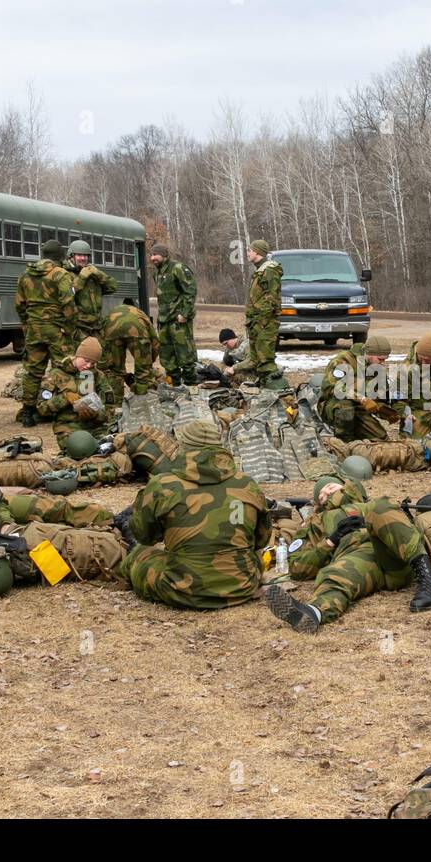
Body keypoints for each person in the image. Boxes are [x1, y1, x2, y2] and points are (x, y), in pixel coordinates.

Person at [119, 419, 269, 609]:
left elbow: (145, 537)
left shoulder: (163, 484)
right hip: (242, 586)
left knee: (139, 554)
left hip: (181, 591)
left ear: (183, 446)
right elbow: (262, 540)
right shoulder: (248, 484)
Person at [264, 478, 431, 633]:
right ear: (317, 502)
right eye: (322, 492)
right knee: (339, 573)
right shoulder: (312, 524)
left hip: (394, 554)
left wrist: (372, 522)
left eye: (331, 486)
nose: (327, 492)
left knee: (381, 505)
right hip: (358, 560)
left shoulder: (369, 505)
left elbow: (406, 529)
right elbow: (297, 567)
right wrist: (331, 540)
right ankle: (314, 613)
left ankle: (427, 579)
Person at [14, 239, 78, 426]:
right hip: (57, 329)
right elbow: (69, 304)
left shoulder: (26, 274)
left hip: (34, 329)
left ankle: (28, 412)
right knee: (63, 368)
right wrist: (69, 329)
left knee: (32, 371)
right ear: (60, 256)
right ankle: (61, 408)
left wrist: (26, 325)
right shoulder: (60, 274)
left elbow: (19, 305)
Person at [35, 337, 114, 449]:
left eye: (93, 363)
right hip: (68, 427)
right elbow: (42, 408)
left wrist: (96, 415)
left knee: (108, 449)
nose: (88, 366)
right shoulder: (56, 374)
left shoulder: (97, 376)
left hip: (96, 427)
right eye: (86, 360)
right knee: (81, 449)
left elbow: (110, 409)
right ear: (78, 355)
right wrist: (64, 398)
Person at [317, 333, 397, 441]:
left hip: (359, 409)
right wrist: (361, 398)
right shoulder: (343, 361)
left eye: (384, 359)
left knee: (381, 439)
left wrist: (384, 411)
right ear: (369, 353)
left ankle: (355, 433)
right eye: (380, 359)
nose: (382, 363)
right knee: (345, 407)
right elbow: (333, 387)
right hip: (333, 405)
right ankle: (344, 441)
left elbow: (379, 397)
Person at [151, 244, 198, 386]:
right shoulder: (157, 272)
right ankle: (175, 384)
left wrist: (185, 313)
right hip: (164, 320)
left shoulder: (178, 268)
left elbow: (190, 291)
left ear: (164, 255)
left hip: (178, 320)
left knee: (185, 353)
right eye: (151, 255)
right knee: (166, 356)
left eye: (155, 254)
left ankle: (191, 384)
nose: (152, 258)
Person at [100, 298, 158, 401]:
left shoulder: (112, 312)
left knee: (115, 371)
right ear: (134, 306)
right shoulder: (139, 313)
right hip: (136, 332)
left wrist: (106, 362)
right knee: (142, 373)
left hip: (111, 331)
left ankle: (115, 402)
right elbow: (155, 341)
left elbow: (102, 335)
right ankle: (141, 399)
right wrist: (149, 360)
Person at [244, 240, 284, 389]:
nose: (248, 253)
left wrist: (262, 320)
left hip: (264, 323)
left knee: (266, 361)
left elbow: (271, 297)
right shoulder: (260, 269)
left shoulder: (269, 269)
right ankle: (263, 388)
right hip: (256, 322)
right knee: (257, 360)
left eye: (250, 250)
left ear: (257, 252)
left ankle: (276, 389)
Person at [65, 240, 117, 342]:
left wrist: (99, 274)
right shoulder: (65, 273)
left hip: (96, 327)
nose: (83, 258)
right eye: (79, 255)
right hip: (78, 327)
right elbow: (67, 295)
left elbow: (113, 287)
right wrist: (82, 278)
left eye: (86, 255)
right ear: (71, 256)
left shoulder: (92, 273)